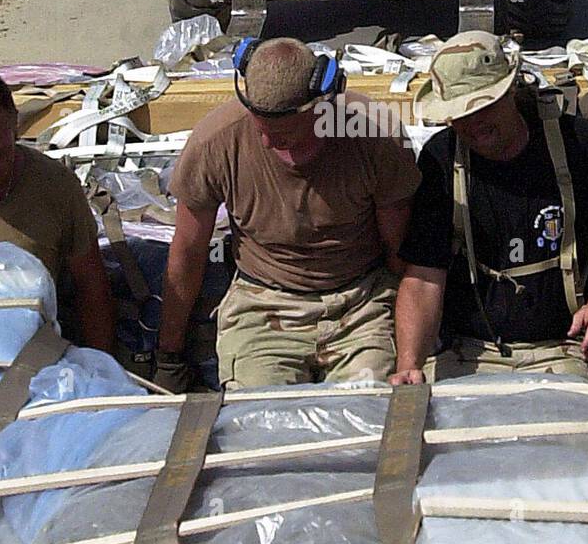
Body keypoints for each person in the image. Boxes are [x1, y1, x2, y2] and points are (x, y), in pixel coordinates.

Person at [156, 37, 421, 391]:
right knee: (262, 421)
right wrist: (169, 356)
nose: (267, 143)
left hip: (360, 304)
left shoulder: (376, 136)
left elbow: (400, 251)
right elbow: (188, 251)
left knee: (367, 414)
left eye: (283, 136)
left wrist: (411, 349)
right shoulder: (216, 142)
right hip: (263, 307)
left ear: (322, 105)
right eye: (260, 130)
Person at [392, 32, 588, 382]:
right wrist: (409, 365)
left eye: (484, 107)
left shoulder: (578, 144)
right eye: (460, 116)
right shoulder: (441, 158)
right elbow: (423, 278)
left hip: (563, 347)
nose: (473, 124)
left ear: (510, 91)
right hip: (468, 350)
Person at [0, 70, 114, 351]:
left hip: (29, 364)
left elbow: (91, 289)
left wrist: (104, 369)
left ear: (16, 128)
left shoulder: (55, 187)